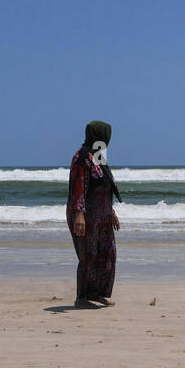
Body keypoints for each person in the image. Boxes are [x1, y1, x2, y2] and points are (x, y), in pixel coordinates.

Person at [66, 120, 121, 307]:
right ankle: (81, 297)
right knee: (88, 255)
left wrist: (111, 212)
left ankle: (96, 293)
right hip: (86, 215)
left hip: (103, 215)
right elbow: (79, 188)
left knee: (108, 254)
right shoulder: (82, 157)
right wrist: (79, 214)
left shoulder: (98, 156)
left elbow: (105, 187)